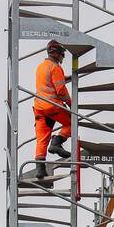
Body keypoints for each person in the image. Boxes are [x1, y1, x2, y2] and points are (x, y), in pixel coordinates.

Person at [33, 40, 71, 182]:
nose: (63, 58)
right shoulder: (55, 68)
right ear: (57, 54)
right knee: (72, 122)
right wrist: (71, 104)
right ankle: (56, 142)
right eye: (62, 55)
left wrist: (64, 79)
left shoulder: (41, 67)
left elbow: (49, 83)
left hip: (39, 108)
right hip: (52, 106)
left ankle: (40, 170)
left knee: (42, 138)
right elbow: (60, 90)